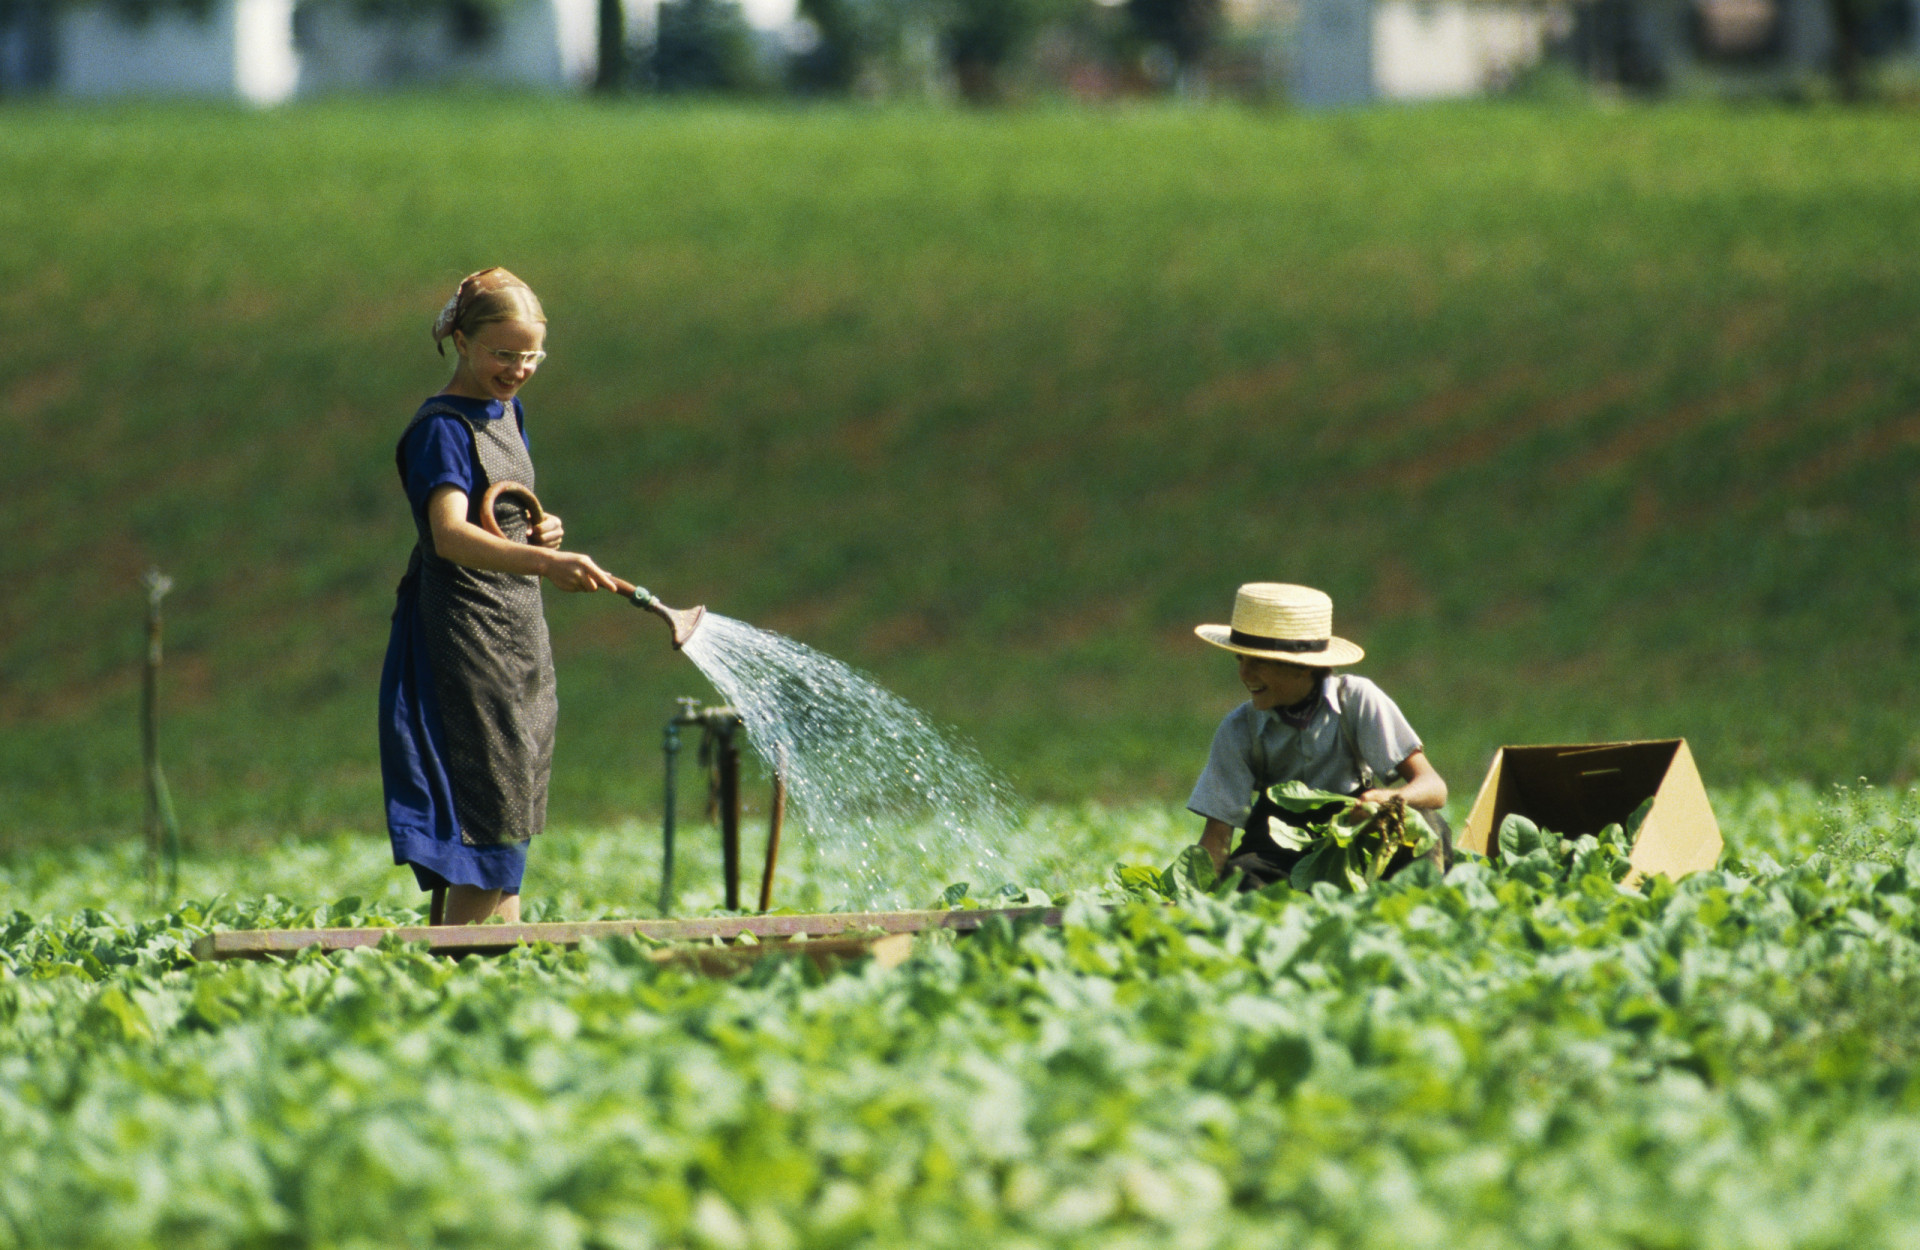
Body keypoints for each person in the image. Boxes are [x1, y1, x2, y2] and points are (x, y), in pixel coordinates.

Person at [378, 268, 621, 925]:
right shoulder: (441, 429)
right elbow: (451, 535)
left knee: (511, 799)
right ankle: (471, 972)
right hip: (465, 636)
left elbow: (500, 509)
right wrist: (546, 560)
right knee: (488, 809)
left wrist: (543, 528)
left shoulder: (507, 412)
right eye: (504, 355)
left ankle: (480, 972)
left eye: (532, 356)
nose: (519, 370)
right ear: (460, 341)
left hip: (516, 627)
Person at [1187, 582, 1448, 889]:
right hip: (1276, 846)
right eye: (1241, 660)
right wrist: (1190, 898)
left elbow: (1434, 788)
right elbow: (1218, 836)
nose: (1244, 674)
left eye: (1258, 663)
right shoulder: (1239, 729)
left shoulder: (1356, 701)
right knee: (1244, 884)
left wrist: (1390, 799)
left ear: (1303, 668)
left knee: (1427, 827)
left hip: (1357, 830)